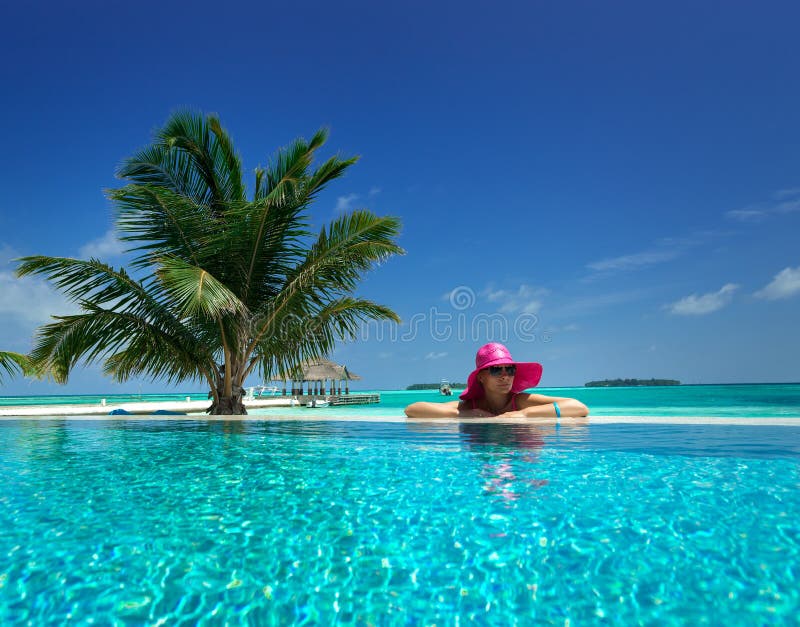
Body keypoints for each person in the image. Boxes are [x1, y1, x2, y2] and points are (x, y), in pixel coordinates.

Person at [404, 342, 589, 418]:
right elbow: (412, 409)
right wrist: (465, 415)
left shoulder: (520, 402)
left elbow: (579, 407)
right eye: (495, 370)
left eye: (509, 369)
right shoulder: (470, 406)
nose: (504, 375)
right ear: (481, 377)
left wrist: (522, 415)